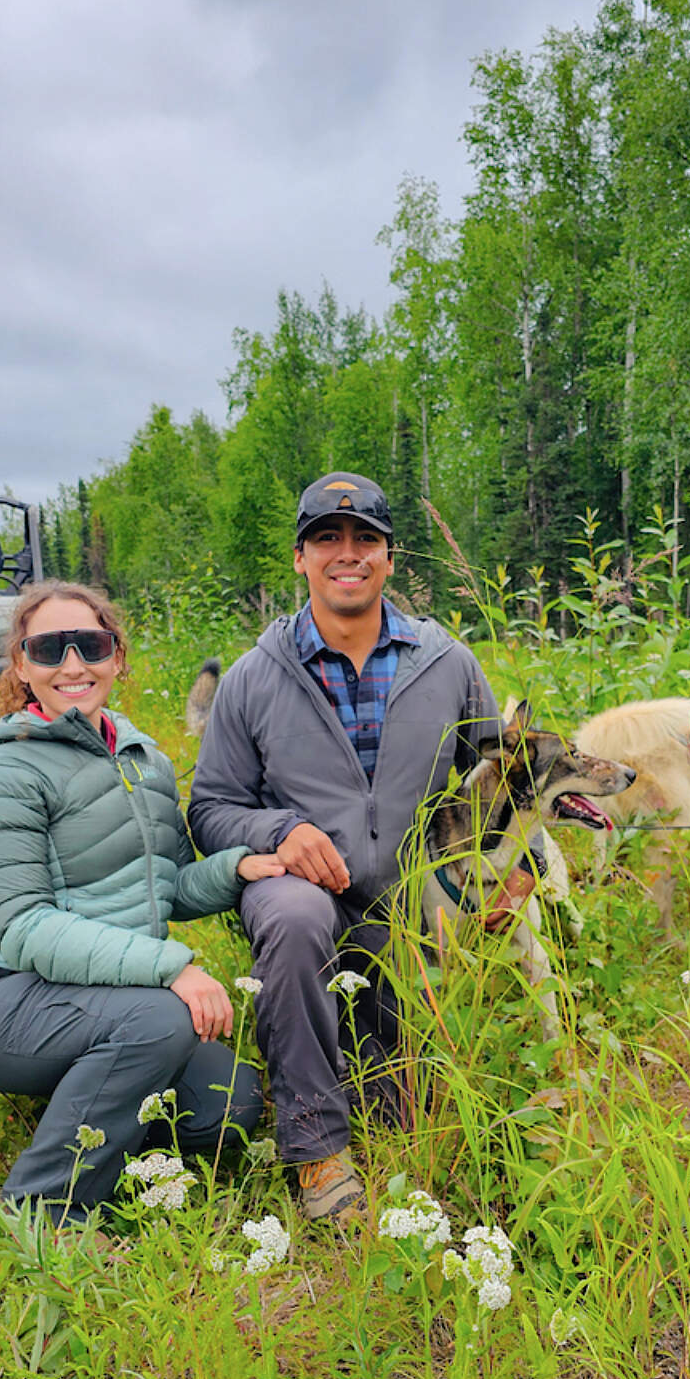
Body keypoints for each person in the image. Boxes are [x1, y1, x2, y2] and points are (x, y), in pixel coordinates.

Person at [187, 472, 502, 1226]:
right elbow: (209, 809)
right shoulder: (255, 677)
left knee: (398, 1097)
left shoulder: (447, 662)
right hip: (300, 891)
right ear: (301, 558)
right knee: (294, 917)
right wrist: (278, 833)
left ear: (390, 558)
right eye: (327, 537)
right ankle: (316, 1150)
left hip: (404, 902)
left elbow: (502, 779)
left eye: (365, 538)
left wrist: (510, 871)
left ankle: (381, 1084)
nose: (347, 553)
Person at [0, 580, 284, 1226]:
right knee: (162, 1021)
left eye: (90, 644)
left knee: (229, 1104)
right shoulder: (6, 773)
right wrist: (170, 969)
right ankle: (45, 1210)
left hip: (101, 995)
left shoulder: (142, 758)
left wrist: (239, 867)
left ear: (117, 656)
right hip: (5, 998)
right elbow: (23, 928)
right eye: (49, 649)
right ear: (21, 665)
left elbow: (169, 886)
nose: (72, 665)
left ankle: (87, 1105)